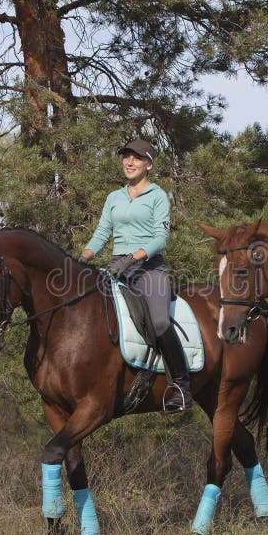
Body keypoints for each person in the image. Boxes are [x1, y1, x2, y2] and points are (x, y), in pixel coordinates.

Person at [79, 139, 192, 413]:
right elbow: (102, 233)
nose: (129, 162)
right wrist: (83, 258)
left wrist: (134, 257)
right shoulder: (113, 198)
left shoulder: (157, 196)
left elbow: (160, 238)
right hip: (116, 267)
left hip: (148, 268)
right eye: (126, 157)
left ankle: (182, 385)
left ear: (149, 165)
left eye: (137, 158)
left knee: (160, 321)